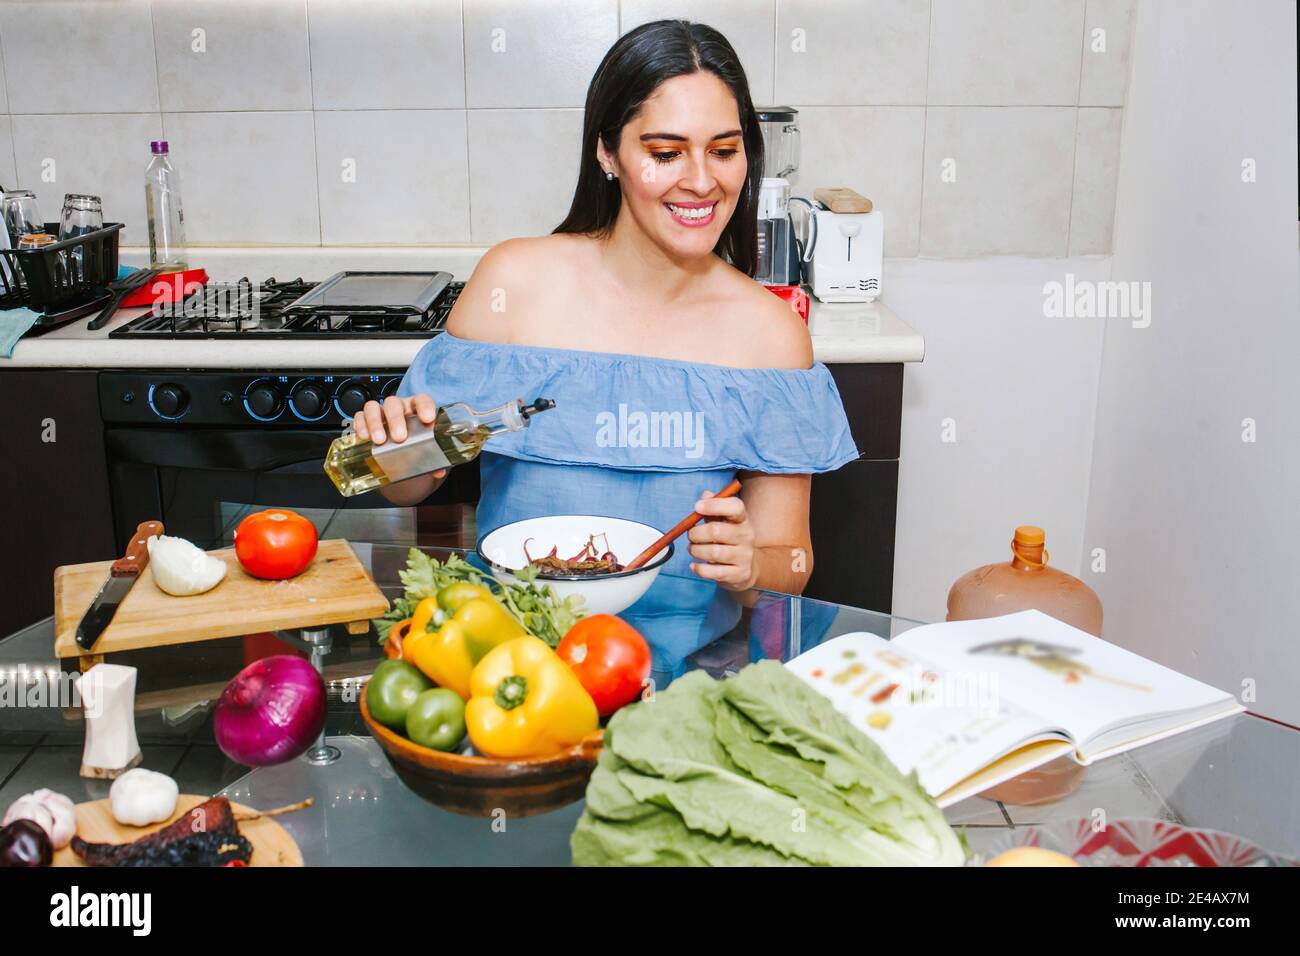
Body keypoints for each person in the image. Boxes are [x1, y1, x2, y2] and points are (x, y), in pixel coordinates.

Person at [352, 20, 857, 682]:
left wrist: (750, 564)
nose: (702, 181)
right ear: (607, 153)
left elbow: (791, 563)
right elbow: (412, 479)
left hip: (681, 678)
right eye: (665, 152)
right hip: (502, 661)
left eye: (724, 149)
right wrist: (387, 447)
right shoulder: (514, 282)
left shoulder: (770, 336)